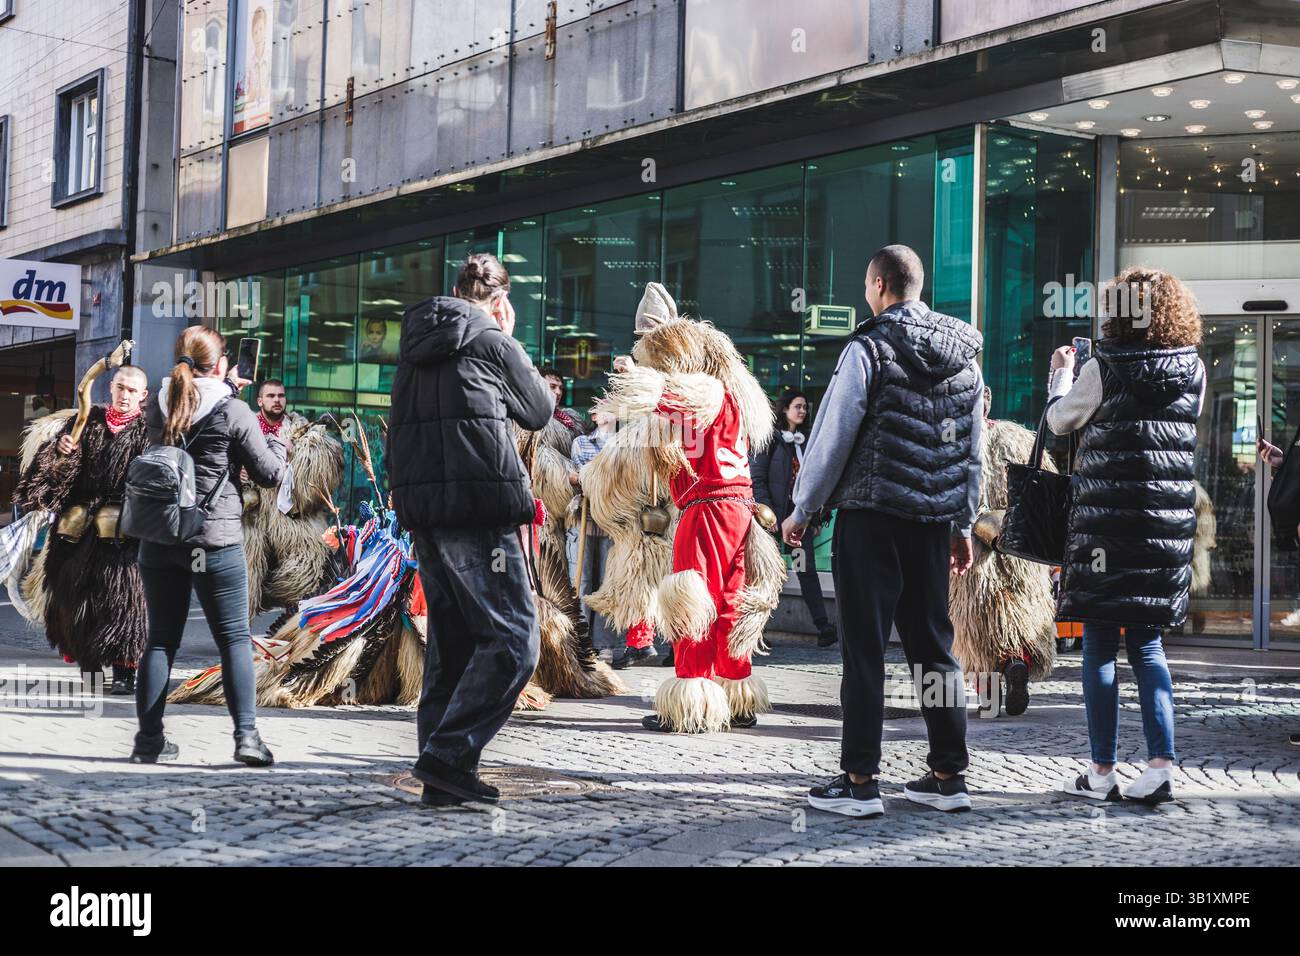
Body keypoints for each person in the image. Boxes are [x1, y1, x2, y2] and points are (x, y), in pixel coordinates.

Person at [785, 244, 982, 817]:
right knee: (933, 647)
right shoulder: (965, 358)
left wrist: (803, 507)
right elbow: (973, 451)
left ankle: (860, 781)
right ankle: (949, 776)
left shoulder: (868, 347)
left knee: (864, 649)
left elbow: (833, 434)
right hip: (930, 522)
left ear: (877, 285)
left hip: (871, 516)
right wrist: (963, 522)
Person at [582, 282, 788, 734]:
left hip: (708, 507)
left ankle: (691, 697)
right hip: (738, 506)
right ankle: (736, 691)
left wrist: (631, 379)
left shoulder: (700, 390)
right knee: (729, 599)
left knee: (688, 596)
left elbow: (657, 403)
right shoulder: (728, 392)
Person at [389, 253, 554, 806]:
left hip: (428, 515)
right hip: (480, 509)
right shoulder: (493, 340)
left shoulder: (414, 346)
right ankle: (447, 756)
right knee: (514, 641)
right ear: (501, 301)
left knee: (452, 646)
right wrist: (510, 340)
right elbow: (538, 411)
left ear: (455, 291)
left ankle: (440, 780)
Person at [1050, 266, 1205, 806]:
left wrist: (1061, 375)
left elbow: (1060, 422)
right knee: (1148, 644)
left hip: (1103, 530)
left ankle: (1101, 771)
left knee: (1097, 645)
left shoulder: (1101, 366)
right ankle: (1160, 765)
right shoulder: (1194, 368)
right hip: (1164, 528)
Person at [133, 326, 287, 766]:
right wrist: (274, 437)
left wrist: (224, 389)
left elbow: (191, 403)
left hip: (161, 538)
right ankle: (247, 739)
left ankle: (148, 742)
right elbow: (271, 473)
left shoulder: (160, 404)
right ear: (220, 364)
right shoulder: (233, 410)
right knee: (235, 640)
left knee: (160, 641)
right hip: (213, 539)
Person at [13, 365, 152, 695]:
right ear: (111, 387)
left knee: (125, 602)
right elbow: (51, 478)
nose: (125, 395)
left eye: (133, 390)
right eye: (120, 387)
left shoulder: (150, 432)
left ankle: (124, 672)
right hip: (76, 529)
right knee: (73, 600)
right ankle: (90, 669)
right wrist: (61, 455)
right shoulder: (84, 422)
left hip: (126, 532)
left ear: (143, 396)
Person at [948, 385, 1056, 717]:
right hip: (1019, 544)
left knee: (977, 620)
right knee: (1020, 613)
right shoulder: (1018, 438)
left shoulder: (956, 439)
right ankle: (1017, 662)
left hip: (974, 545)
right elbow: (1047, 482)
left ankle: (990, 693)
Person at [751, 389, 837, 648]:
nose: (802, 411)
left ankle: (823, 627)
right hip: (772, 520)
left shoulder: (806, 442)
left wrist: (816, 518)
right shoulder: (770, 440)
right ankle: (753, 630)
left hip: (798, 520)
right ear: (785, 409)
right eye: (797, 406)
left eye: (804, 407)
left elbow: (815, 482)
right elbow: (757, 479)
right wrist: (768, 513)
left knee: (806, 569)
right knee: (763, 574)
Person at [567, 404, 648, 667]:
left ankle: (606, 645)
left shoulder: (628, 445)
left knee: (608, 583)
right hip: (587, 519)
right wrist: (594, 478)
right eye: (603, 407)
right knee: (582, 580)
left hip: (616, 523)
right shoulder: (581, 442)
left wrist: (592, 477)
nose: (609, 411)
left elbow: (628, 480)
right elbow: (581, 477)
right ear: (593, 415)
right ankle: (579, 640)